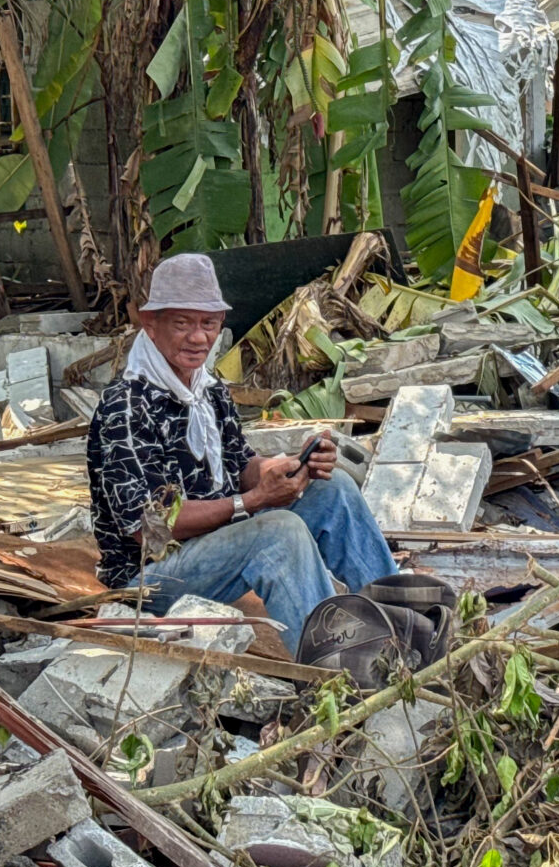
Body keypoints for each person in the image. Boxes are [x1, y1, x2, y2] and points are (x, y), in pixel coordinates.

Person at [86, 253, 398, 652]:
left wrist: (286, 466)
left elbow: (239, 465)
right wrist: (251, 502)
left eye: (208, 324)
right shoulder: (127, 405)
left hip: (214, 546)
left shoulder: (209, 391)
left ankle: (401, 618)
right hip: (149, 578)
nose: (198, 338)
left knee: (331, 487)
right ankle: (336, 666)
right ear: (150, 324)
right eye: (182, 323)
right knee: (277, 533)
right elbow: (147, 528)